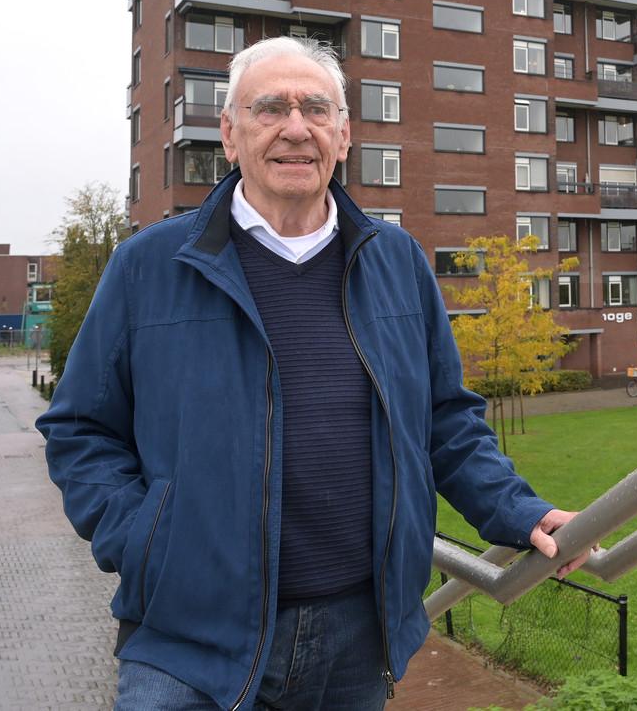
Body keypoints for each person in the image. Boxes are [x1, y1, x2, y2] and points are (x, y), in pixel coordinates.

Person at [37, 37, 586, 711]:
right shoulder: (149, 267)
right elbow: (80, 431)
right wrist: (147, 541)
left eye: (316, 109)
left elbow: (445, 423)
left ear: (344, 134)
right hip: (189, 644)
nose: (296, 128)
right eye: (269, 109)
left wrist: (518, 510)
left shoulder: (398, 263)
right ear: (230, 135)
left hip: (357, 640)